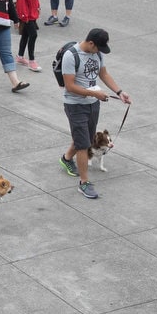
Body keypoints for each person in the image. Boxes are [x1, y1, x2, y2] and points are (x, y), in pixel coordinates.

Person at [58, 28, 130, 201]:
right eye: (99, 47)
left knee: (86, 138)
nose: (100, 51)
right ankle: (84, 183)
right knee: (83, 145)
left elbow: (103, 74)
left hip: (93, 104)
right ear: (91, 43)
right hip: (75, 105)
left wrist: (119, 92)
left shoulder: (97, 54)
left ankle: (66, 158)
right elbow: (70, 86)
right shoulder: (71, 56)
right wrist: (94, 94)